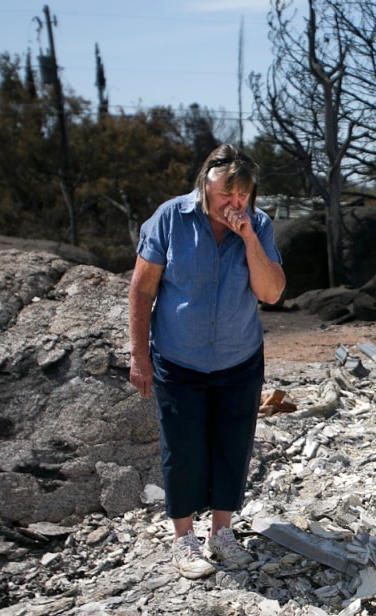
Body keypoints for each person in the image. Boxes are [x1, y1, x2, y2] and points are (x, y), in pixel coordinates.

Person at [128, 144, 286, 579]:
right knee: (184, 448)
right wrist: (139, 355)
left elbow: (271, 292)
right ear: (204, 186)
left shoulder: (260, 224)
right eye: (225, 196)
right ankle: (184, 539)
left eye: (243, 196)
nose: (235, 205)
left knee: (232, 444)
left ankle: (221, 532)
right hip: (179, 358)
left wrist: (249, 237)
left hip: (239, 357)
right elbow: (142, 290)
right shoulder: (170, 219)